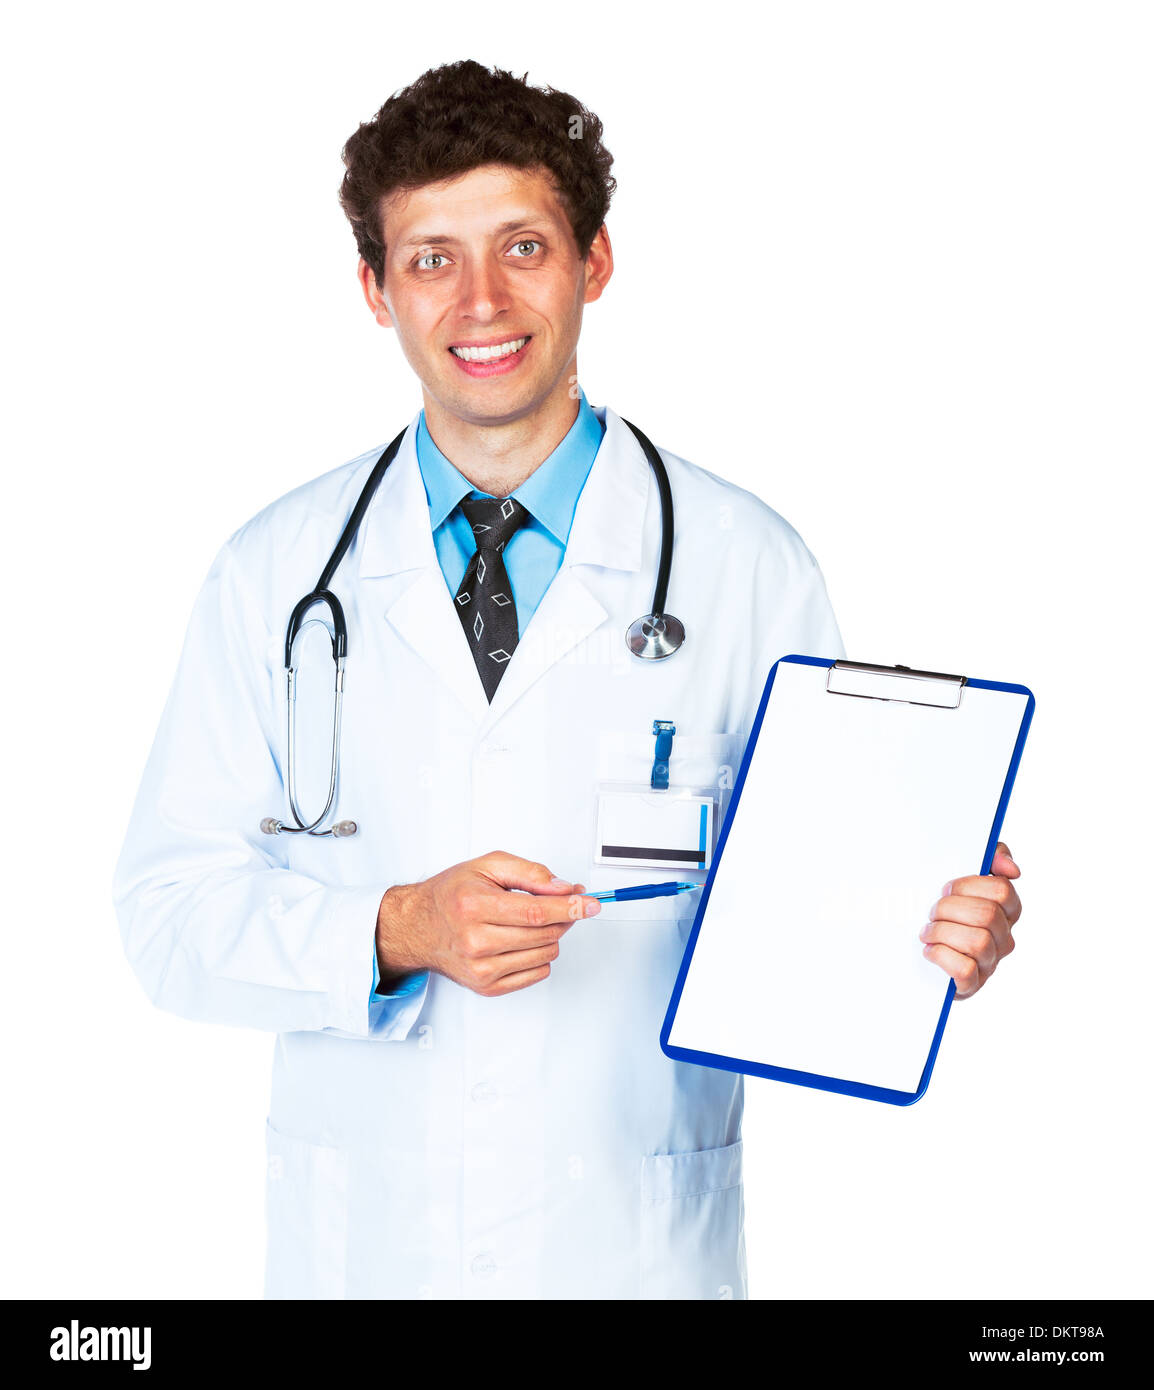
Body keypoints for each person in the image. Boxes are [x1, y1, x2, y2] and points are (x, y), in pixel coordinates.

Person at [112, 59, 1024, 1300]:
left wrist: (928, 934)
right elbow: (168, 915)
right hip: (369, 1252)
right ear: (375, 292)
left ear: (593, 264)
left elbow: (825, 912)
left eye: (522, 245)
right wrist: (392, 928)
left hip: (634, 1253)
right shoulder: (272, 573)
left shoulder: (742, 562)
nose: (480, 300)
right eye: (430, 258)